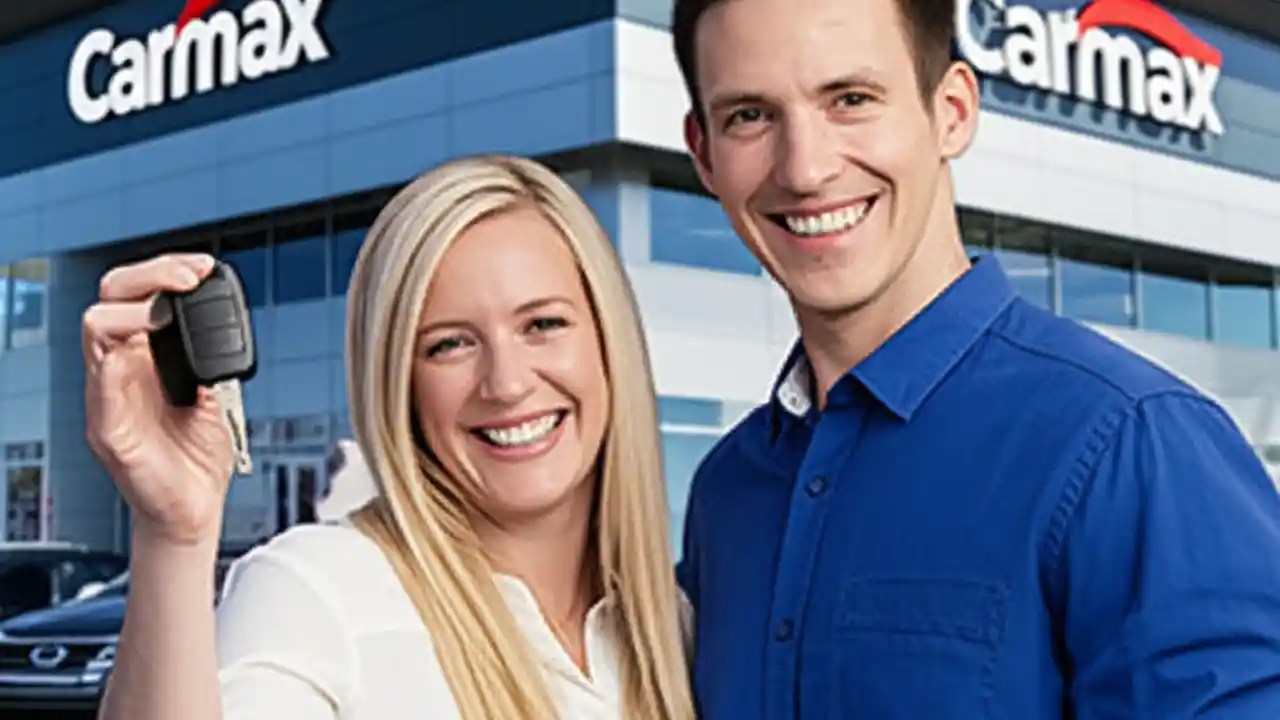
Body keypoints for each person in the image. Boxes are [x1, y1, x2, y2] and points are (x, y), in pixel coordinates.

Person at [670, 0, 1280, 716]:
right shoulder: (728, 494)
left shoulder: (1134, 447)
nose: (804, 169)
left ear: (952, 111)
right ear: (704, 152)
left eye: (851, 99)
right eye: (750, 115)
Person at [83, 154, 696, 720]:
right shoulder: (317, 592)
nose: (506, 384)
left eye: (543, 324)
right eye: (449, 344)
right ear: (398, 382)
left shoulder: (675, 625)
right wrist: (174, 539)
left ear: (608, 343)